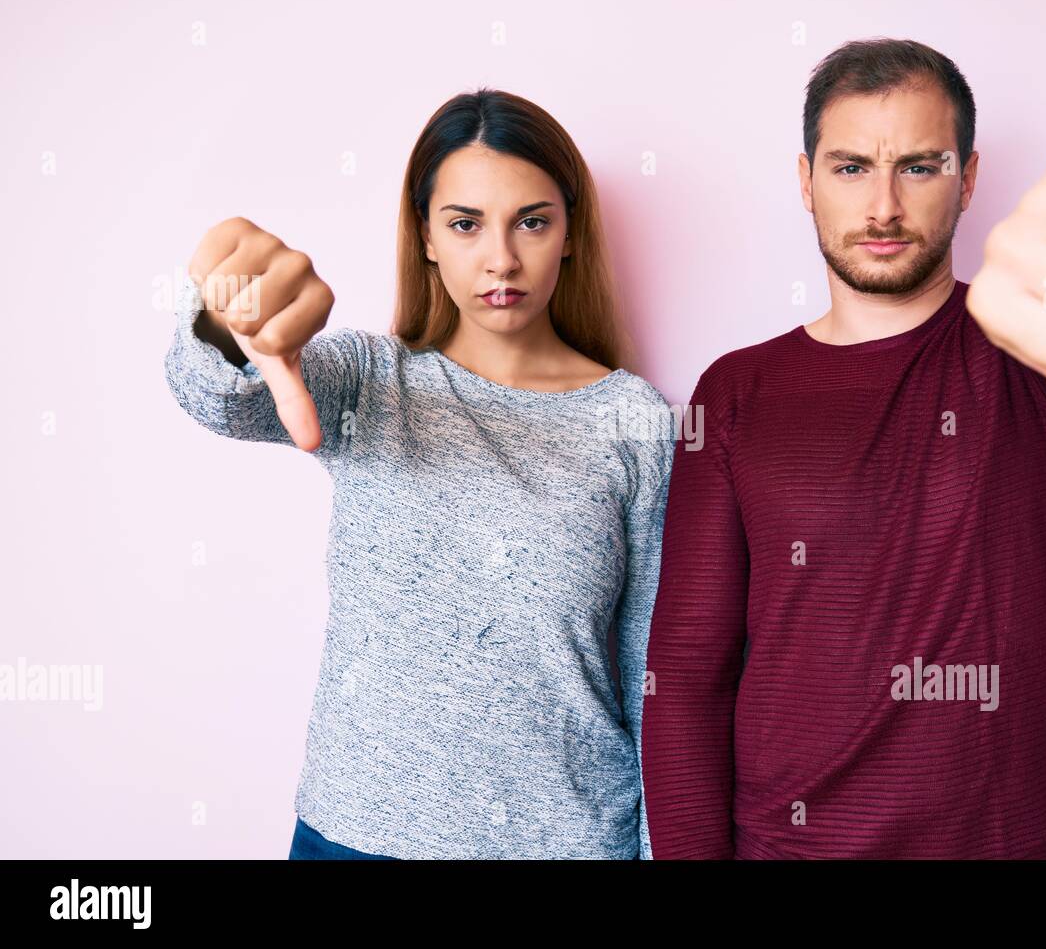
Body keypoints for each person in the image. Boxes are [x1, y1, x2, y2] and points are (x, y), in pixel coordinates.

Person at [640, 38, 1046, 859]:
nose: (883, 207)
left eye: (919, 168)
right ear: (805, 181)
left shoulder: (1033, 352)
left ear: (967, 180)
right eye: (852, 167)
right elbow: (686, 677)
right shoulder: (735, 391)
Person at [164, 89, 675, 859]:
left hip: (564, 839)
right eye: (465, 224)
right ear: (427, 237)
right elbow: (219, 398)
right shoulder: (371, 381)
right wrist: (228, 317)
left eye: (531, 221)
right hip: (357, 832)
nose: (500, 259)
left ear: (570, 233)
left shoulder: (635, 420)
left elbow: (652, 673)